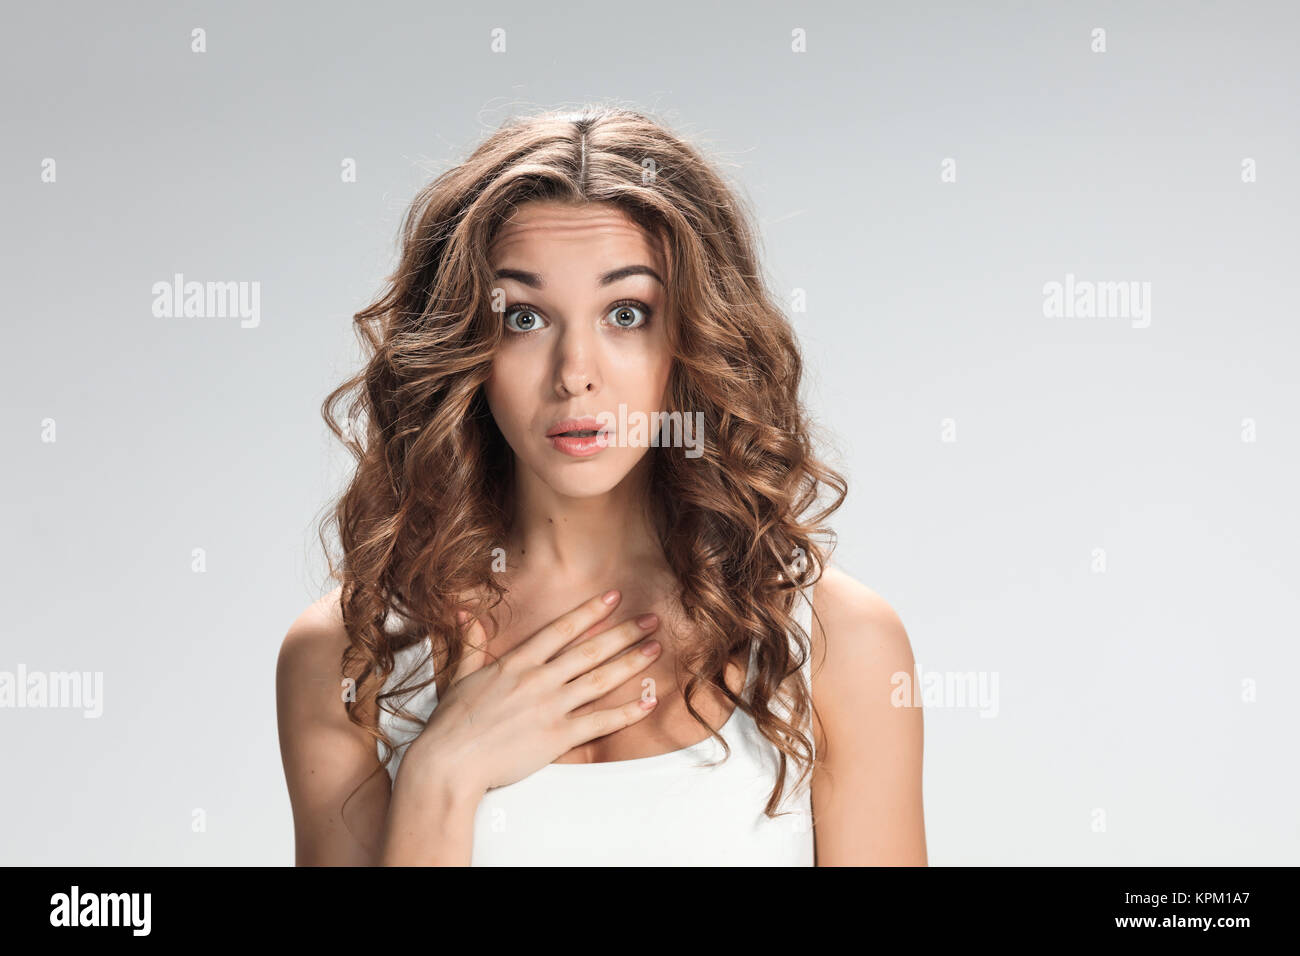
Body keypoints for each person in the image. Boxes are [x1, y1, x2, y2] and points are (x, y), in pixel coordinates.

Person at [276, 104, 927, 866]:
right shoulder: (349, 657)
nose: (575, 372)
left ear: (693, 336)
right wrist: (439, 780)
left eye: (626, 313)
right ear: (464, 346)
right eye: (523, 317)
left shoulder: (834, 642)